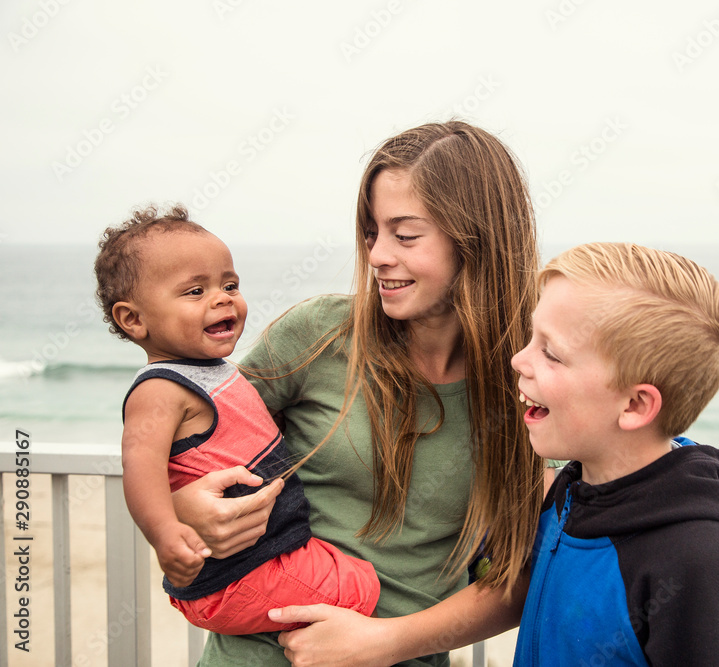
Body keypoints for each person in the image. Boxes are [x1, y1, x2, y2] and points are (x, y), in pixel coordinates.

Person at [171, 121, 547, 666]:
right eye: (372, 233)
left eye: (406, 235)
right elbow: (181, 434)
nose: (377, 255)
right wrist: (181, 508)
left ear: (478, 238)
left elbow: (518, 577)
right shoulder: (318, 335)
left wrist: (386, 642)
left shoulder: (528, 380)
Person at [94, 207, 380, 635]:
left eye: (230, 285)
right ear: (134, 319)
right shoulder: (160, 390)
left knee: (354, 577)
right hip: (236, 575)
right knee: (362, 591)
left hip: (265, 555)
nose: (223, 298)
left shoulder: (212, 371)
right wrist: (165, 533)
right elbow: (140, 466)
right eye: (195, 291)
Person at [509, 243, 719, 666]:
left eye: (551, 353)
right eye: (532, 338)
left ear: (635, 405)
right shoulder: (572, 492)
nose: (518, 360)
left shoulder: (701, 565)